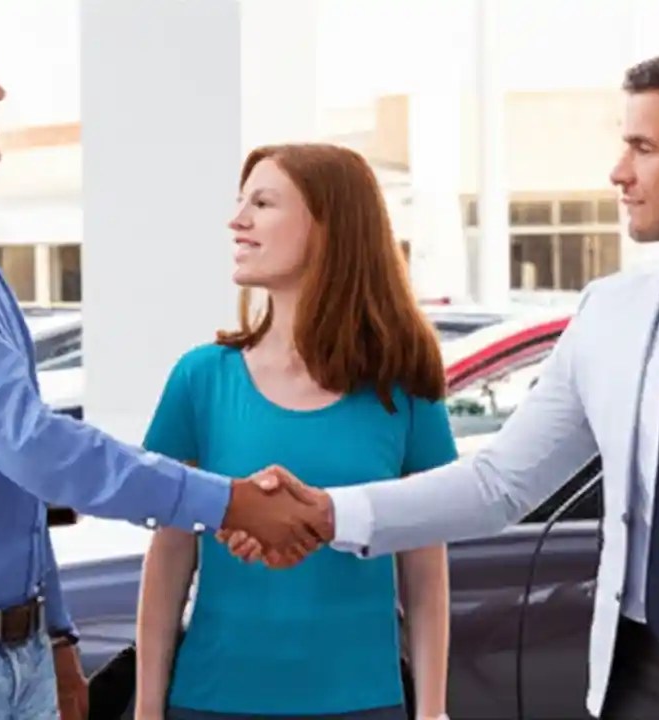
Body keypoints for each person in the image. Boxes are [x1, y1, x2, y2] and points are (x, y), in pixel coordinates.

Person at [239, 46, 659, 720]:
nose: (617, 172)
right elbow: (501, 484)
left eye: (643, 147)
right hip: (636, 675)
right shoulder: (610, 312)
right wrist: (330, 513)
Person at [0, 3, 327, 718]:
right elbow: (32, 445)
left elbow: (6, 471)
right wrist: (230, 501)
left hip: (0, 658)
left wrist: (53, 636)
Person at [134, 143, 455, 720]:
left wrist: (431, 713)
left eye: (262, 202)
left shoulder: (405, 385)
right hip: (211, 701)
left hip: (363, 704)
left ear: (329, 226)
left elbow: (426, 567)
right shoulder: (201, 378)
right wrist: (147, 709)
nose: (238, 221)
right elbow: (169, 554)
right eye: (240, 203)